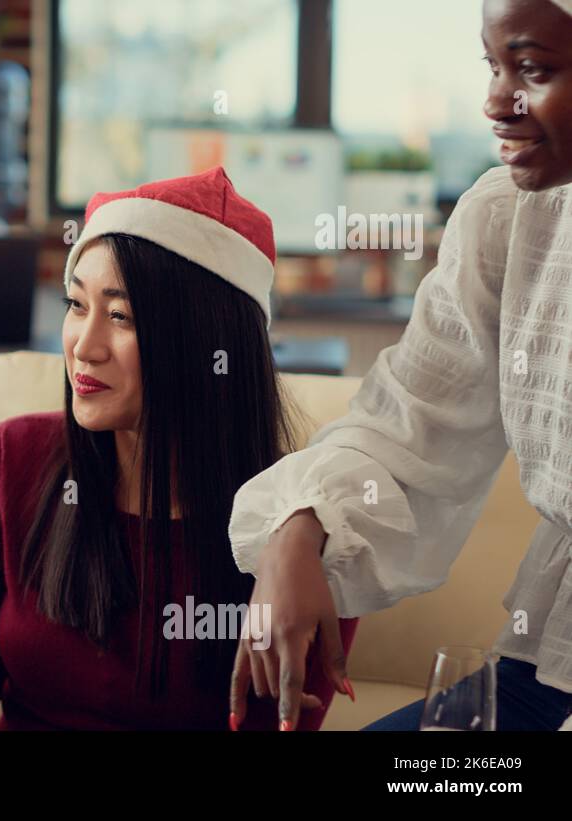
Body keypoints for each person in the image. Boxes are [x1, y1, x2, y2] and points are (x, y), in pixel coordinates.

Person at [0, 168, 357, 730]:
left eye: (120, 316)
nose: (83, 348)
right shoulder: (6, 463)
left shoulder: (306, 529)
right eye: (76, 304)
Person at [228, 0, 572, 732]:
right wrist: (301, 525)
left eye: (533, 69)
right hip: (549, 661)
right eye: (494, 65)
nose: (494, 101)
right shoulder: (507, 220)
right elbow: (412, 426)